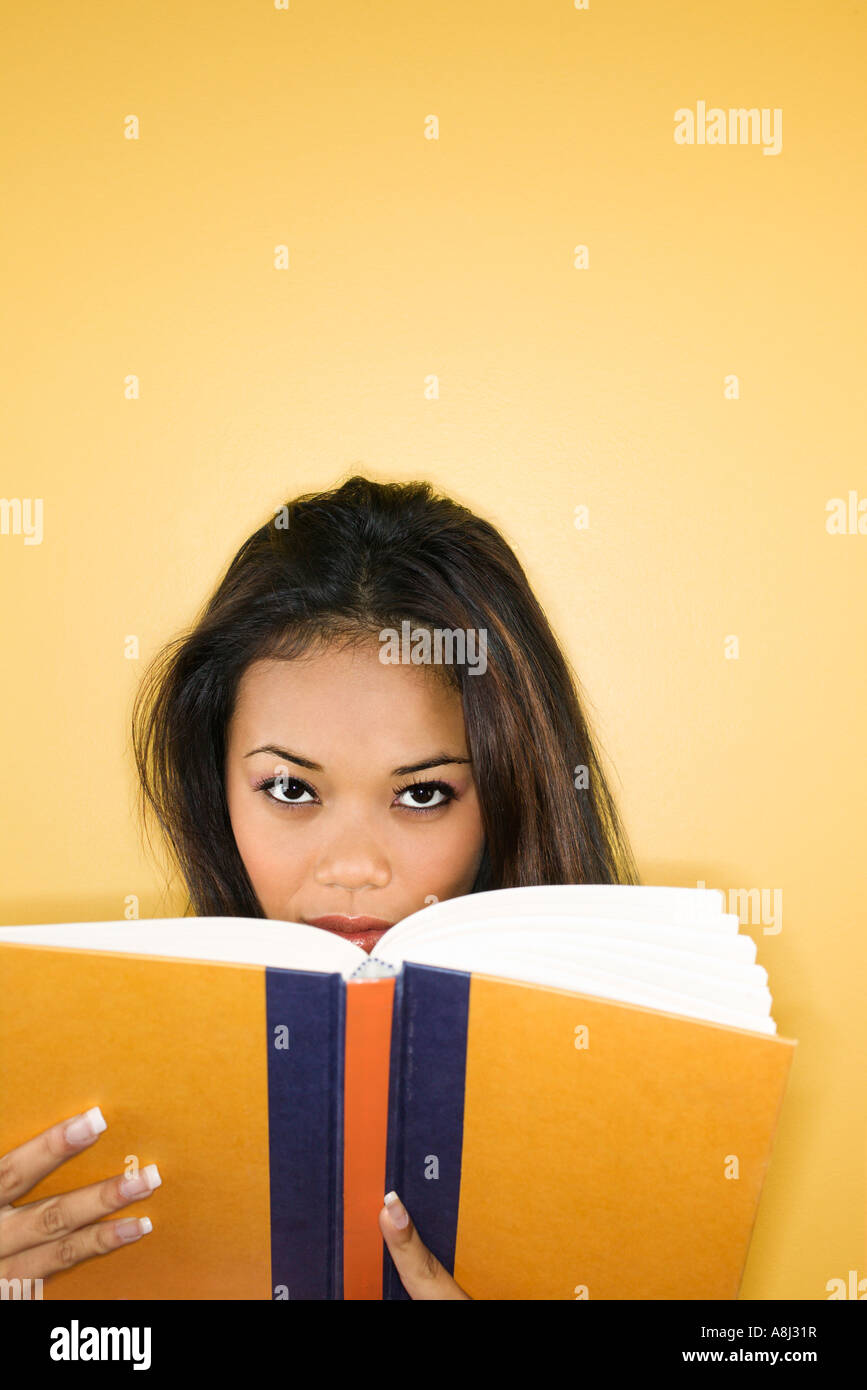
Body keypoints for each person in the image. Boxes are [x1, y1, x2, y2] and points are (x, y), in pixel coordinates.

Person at [0, 475, 639, 1300]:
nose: (351, 868)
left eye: (421, 794)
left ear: (513, 794)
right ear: (214, 784)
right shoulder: (55, 1076)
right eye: (291, 790)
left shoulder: (646, 1082)